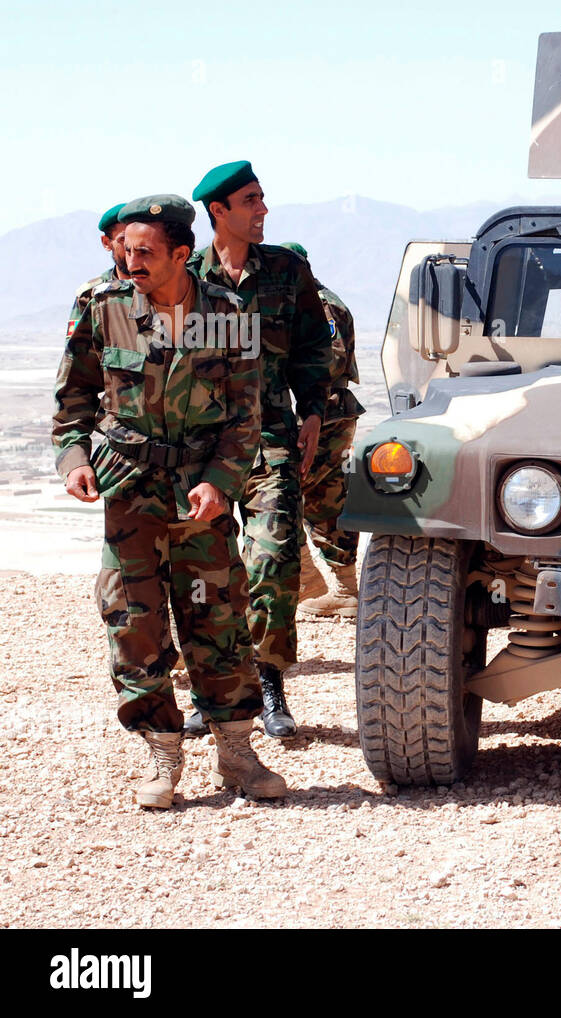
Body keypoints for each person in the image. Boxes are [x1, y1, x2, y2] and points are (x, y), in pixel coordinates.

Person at [52, 194, 287, 808]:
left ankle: (235, 750)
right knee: (134, 620)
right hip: (128, 489)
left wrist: (220, 481)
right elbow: (72, 404)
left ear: (182, 254)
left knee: (217, 617)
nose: (130, 261)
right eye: (126, 250)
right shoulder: (101, 308)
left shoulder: (228, 317)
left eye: (146, 252)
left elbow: (245, 418)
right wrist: (75, 462)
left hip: (198, 497)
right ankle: (162, 750)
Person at [187, 161, 333, 739]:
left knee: (273, 556)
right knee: (207, 574)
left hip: (270, 436)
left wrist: (315, 409)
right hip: (201, 448)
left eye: (263, 198)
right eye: (251, 201)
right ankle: (216, 691)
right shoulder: (185, 275)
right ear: (218, 211)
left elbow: (313, 344)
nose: (263, 210)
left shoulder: (287, 270)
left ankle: (269, 680)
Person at [279, 242, 364, 618]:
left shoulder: (317, 304)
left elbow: (330, 360)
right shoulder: (318, 298)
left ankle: (306, 579)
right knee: (324, 498)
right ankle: (343, 589)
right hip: (327, 413)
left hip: (319, 414)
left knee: (281, 490)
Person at [67, 203, 130, 333]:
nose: (132, 247)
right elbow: (76, 350)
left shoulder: (167, 286)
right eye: (123, 239)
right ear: (107, 243)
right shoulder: (92, 294)